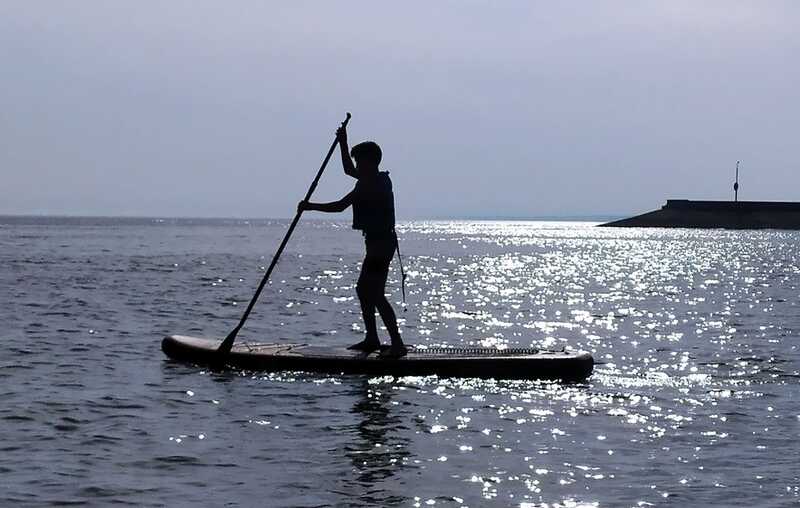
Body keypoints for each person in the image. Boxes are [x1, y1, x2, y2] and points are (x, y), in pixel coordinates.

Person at [298, 125, 407, 359]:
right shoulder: (372, 178)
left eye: (360, 162)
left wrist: (309, 206)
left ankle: (397, 344)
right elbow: (348, 169)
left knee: (375, 293)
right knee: (363, 290)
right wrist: (343, 143)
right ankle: (372, 339)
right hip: (376, 244)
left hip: (381, 246)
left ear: (369, 162)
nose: (356, 167)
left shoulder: (373, 184)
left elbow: (339, 206)